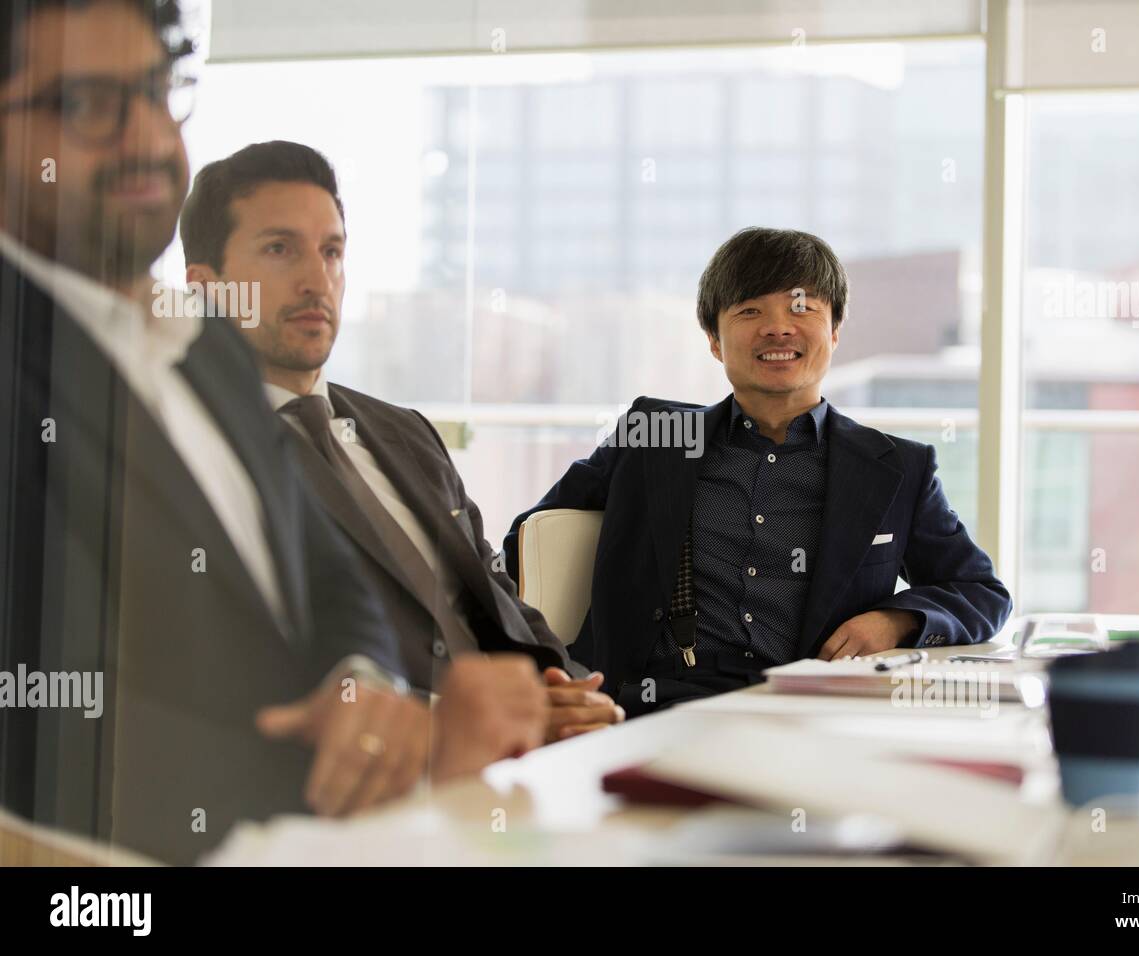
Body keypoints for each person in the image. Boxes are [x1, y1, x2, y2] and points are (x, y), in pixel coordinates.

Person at [0, 0, 545, 864]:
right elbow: (48, 707)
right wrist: (408, 753)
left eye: (156, 91)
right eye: (87, 105)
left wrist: (358, 687)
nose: (146, 138)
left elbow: (328, 584)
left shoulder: (201, 350)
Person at [180, 140, 624, 742]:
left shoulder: (404, 431)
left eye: (332, 251)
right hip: (378, 770)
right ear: (207, 288)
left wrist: (570, 693)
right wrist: (460, 723)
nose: (318, 279)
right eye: (279, 249)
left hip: (528, 753)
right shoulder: (190, 443)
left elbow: (495, 595)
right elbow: (243, 664)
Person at [506, 227, 1012, 715]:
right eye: (750, 310)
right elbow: (524, 547)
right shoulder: (654, 435)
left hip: (812, 713)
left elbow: (980, 591)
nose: (778, 327)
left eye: (802, 307)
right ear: (714, 340)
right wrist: (548, 675)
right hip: (651, 709)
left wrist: (895, 620)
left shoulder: (897, 467)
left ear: (834, 331)